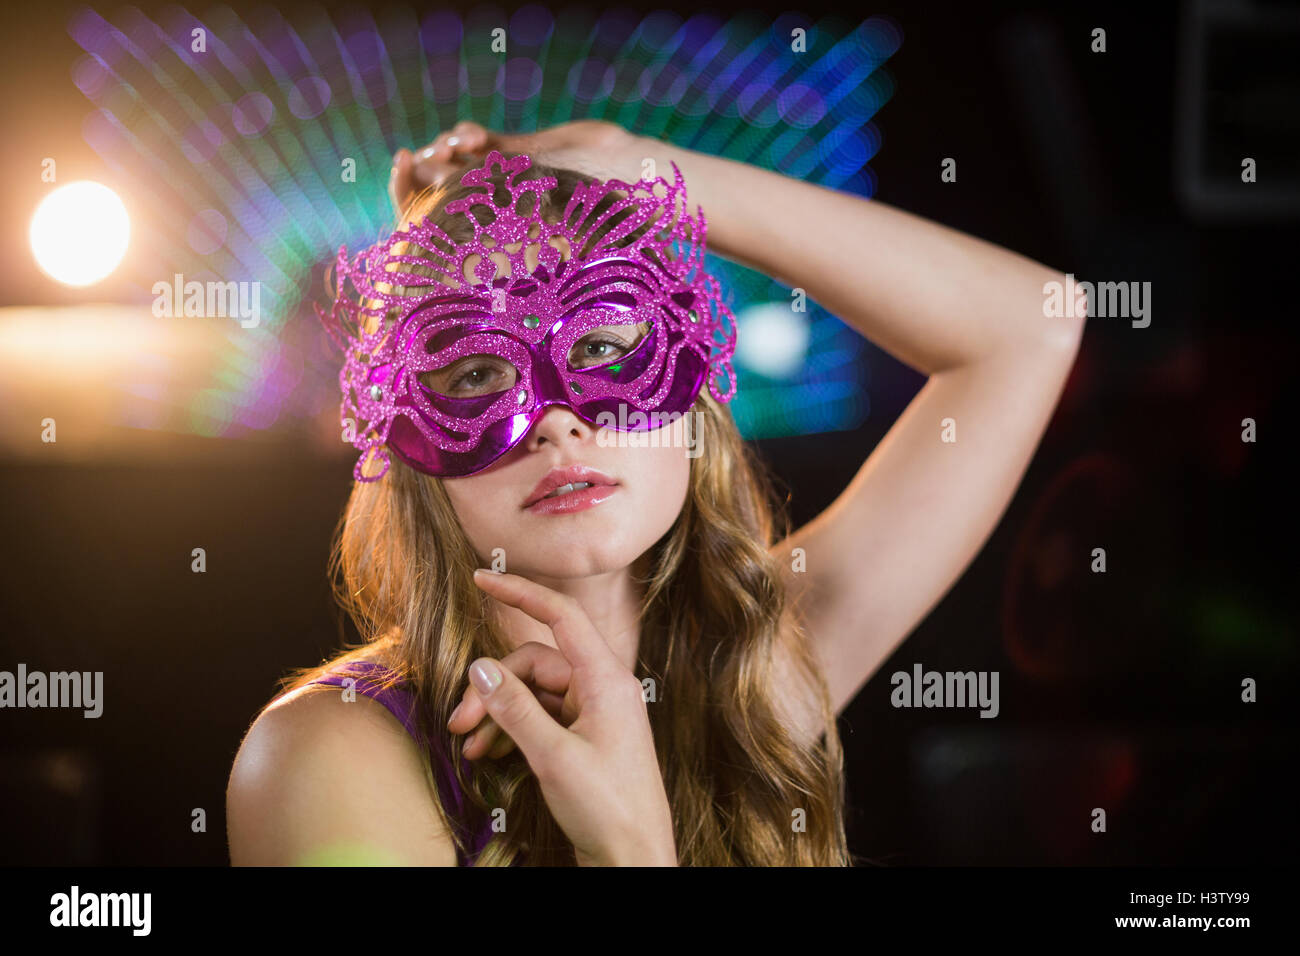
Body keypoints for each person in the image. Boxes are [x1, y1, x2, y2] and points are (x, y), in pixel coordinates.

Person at [226, 119, 1086, 866]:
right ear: (409, 445)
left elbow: (1032, 321)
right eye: (479, 373)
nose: (558, 423)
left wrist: (643, 169)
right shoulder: (332, 756)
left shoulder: (753, 680)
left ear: (693, 392)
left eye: (602, 347)